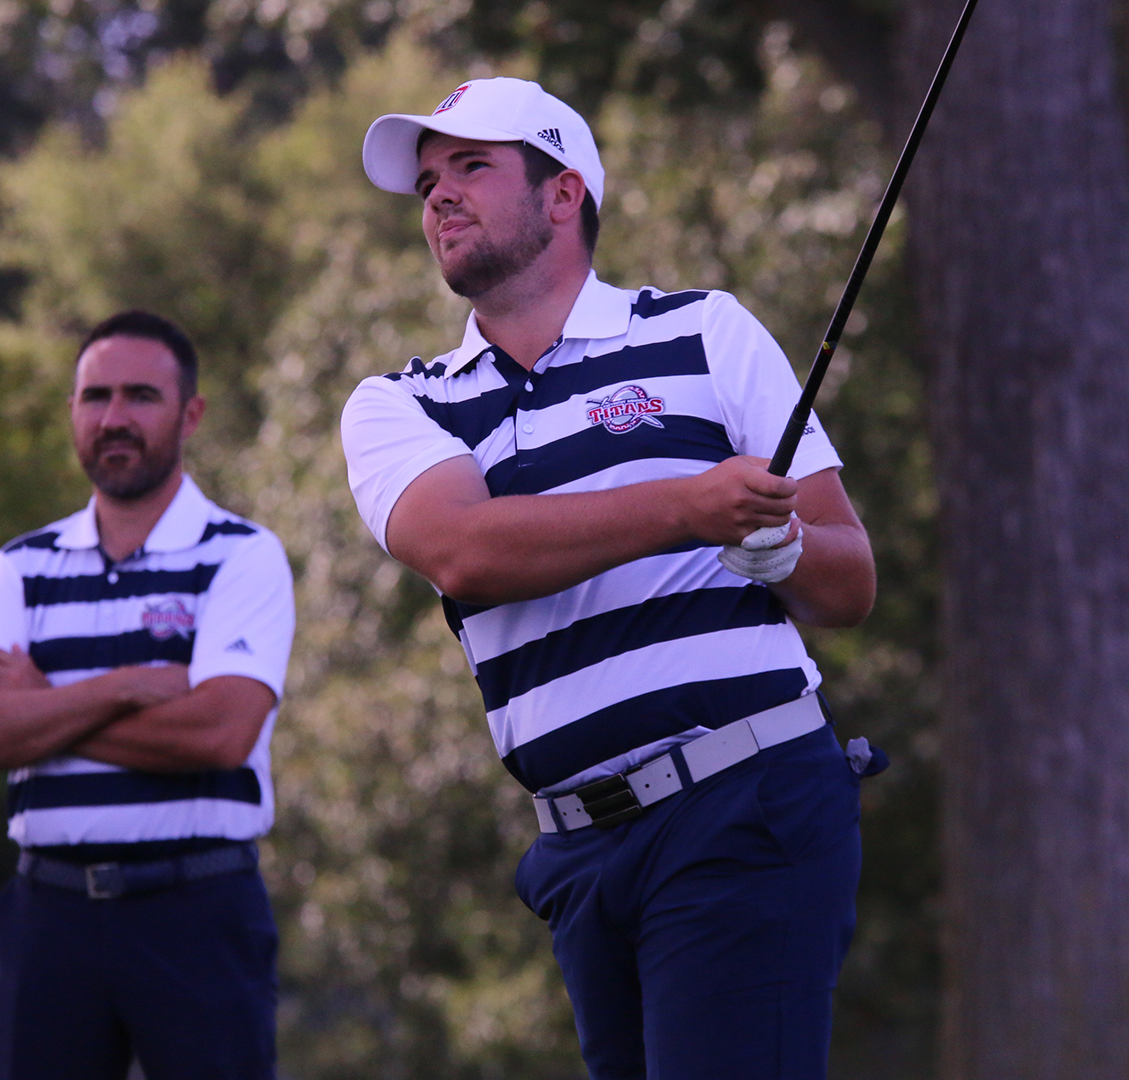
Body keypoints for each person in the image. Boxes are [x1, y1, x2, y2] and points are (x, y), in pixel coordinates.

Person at [341, 78, 887, 1080]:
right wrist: (687, 507)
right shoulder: (400, 404)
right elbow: (465, 551)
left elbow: (849, 583)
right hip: (581, 855)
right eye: (426, 182)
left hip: (743, 798)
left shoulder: (704, 332)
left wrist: (789, 551)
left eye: (471, 167)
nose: (438, 198)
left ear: (562, 195)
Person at [0, 310, 294, 1080]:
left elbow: (219, 735)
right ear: (71, 411)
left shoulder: (241, 557)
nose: (114, 418)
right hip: (50, 917)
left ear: (190, 413)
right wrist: (131, 687)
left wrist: (43, 705)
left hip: (197, 907)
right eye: (94, 397)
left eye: (140, 396)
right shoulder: (22, 567)